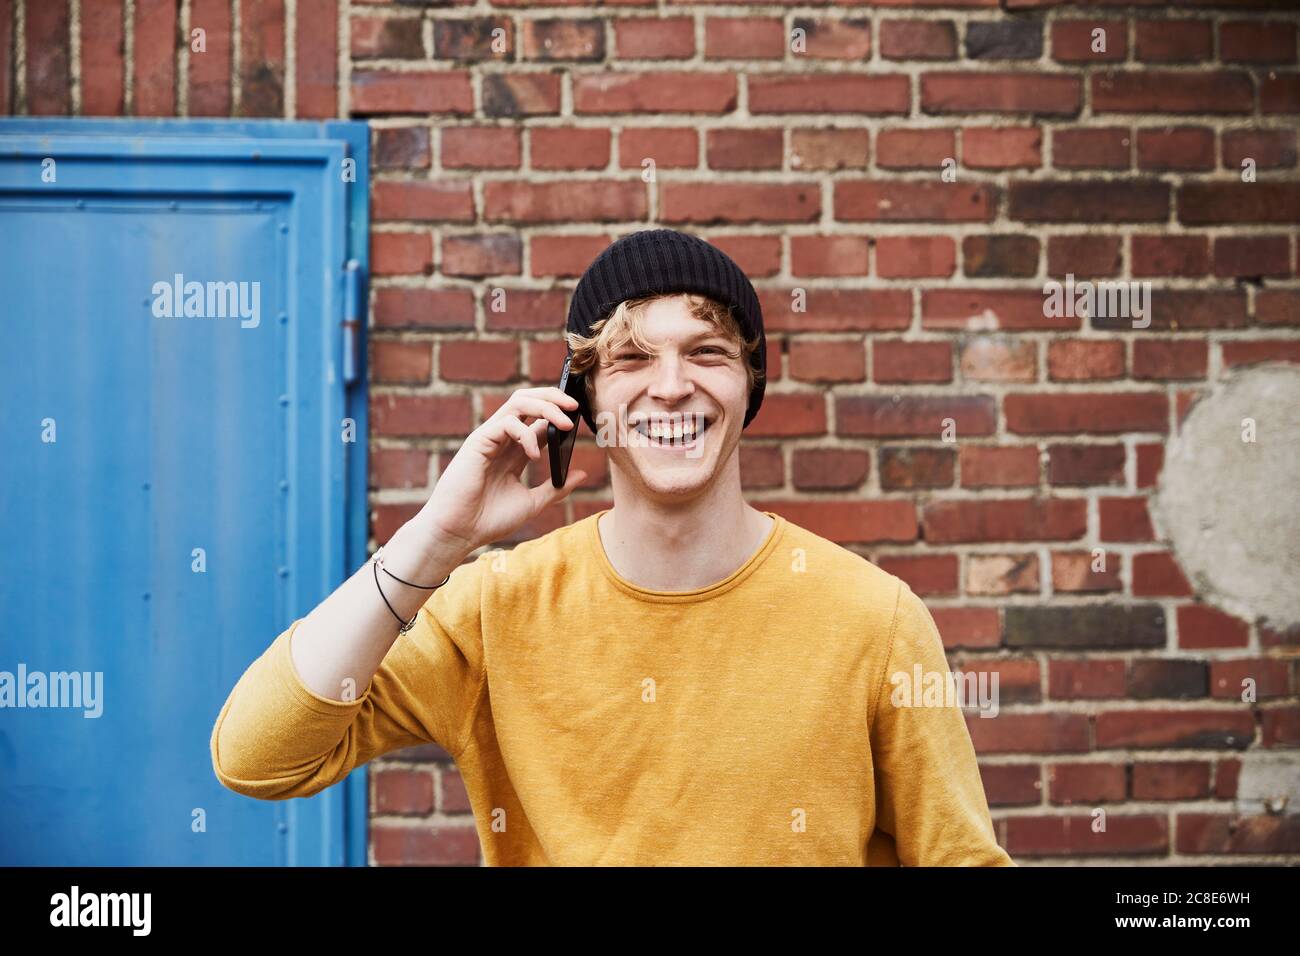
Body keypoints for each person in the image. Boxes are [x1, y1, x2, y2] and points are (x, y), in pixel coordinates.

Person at [210, 228, 1014, 866]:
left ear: (748, 387)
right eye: (631, 359)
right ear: (581, 401)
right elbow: (257, 756)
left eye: (706, 352)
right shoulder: (495, 606)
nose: (670, 385)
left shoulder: (872, 618)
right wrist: (435, 540)